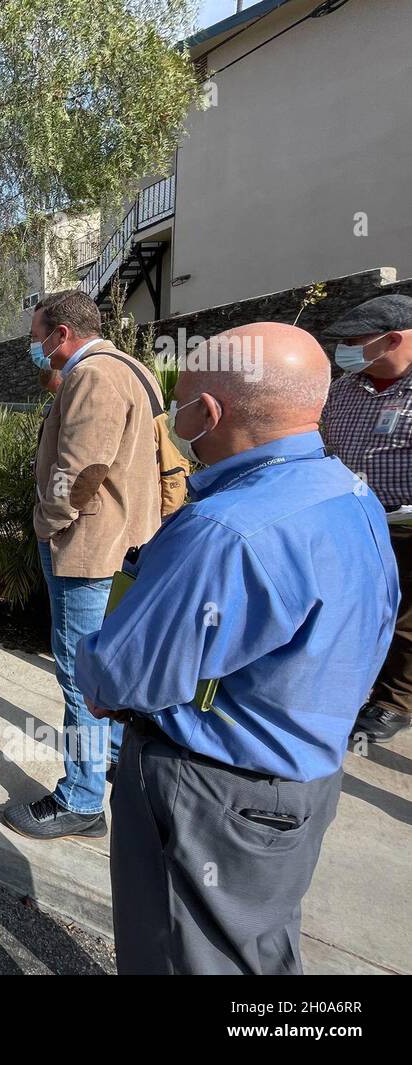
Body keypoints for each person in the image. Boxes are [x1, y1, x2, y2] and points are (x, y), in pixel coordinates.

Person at [76, 323, 397, 975]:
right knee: (255, 950)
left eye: (183, 403)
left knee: (181, 954)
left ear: (209, 412)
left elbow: (118, 677)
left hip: (208, 790)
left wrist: (95, 661)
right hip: (304, 781)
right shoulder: (353, 495)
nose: (176, 418)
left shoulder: (221, 530)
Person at [3, 289, 163, 841]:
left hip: (87, 548)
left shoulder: (92, 374)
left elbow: (83, 468)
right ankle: (112, 756)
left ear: (62, 334)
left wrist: (48, 522)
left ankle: (81, 799)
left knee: (79, 674)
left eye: (36, 338)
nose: (35, 348)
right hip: (124, 544)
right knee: (104, 667)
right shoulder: (131, 367)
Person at [320, 293, 412, 745]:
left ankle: (395, 702)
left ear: (393, 340)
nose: (345, 351)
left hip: (407, 528)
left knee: (407, 619)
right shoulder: (344, 389)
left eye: (355, 341)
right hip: (353, 521)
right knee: (360, 610)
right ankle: (360, 685)